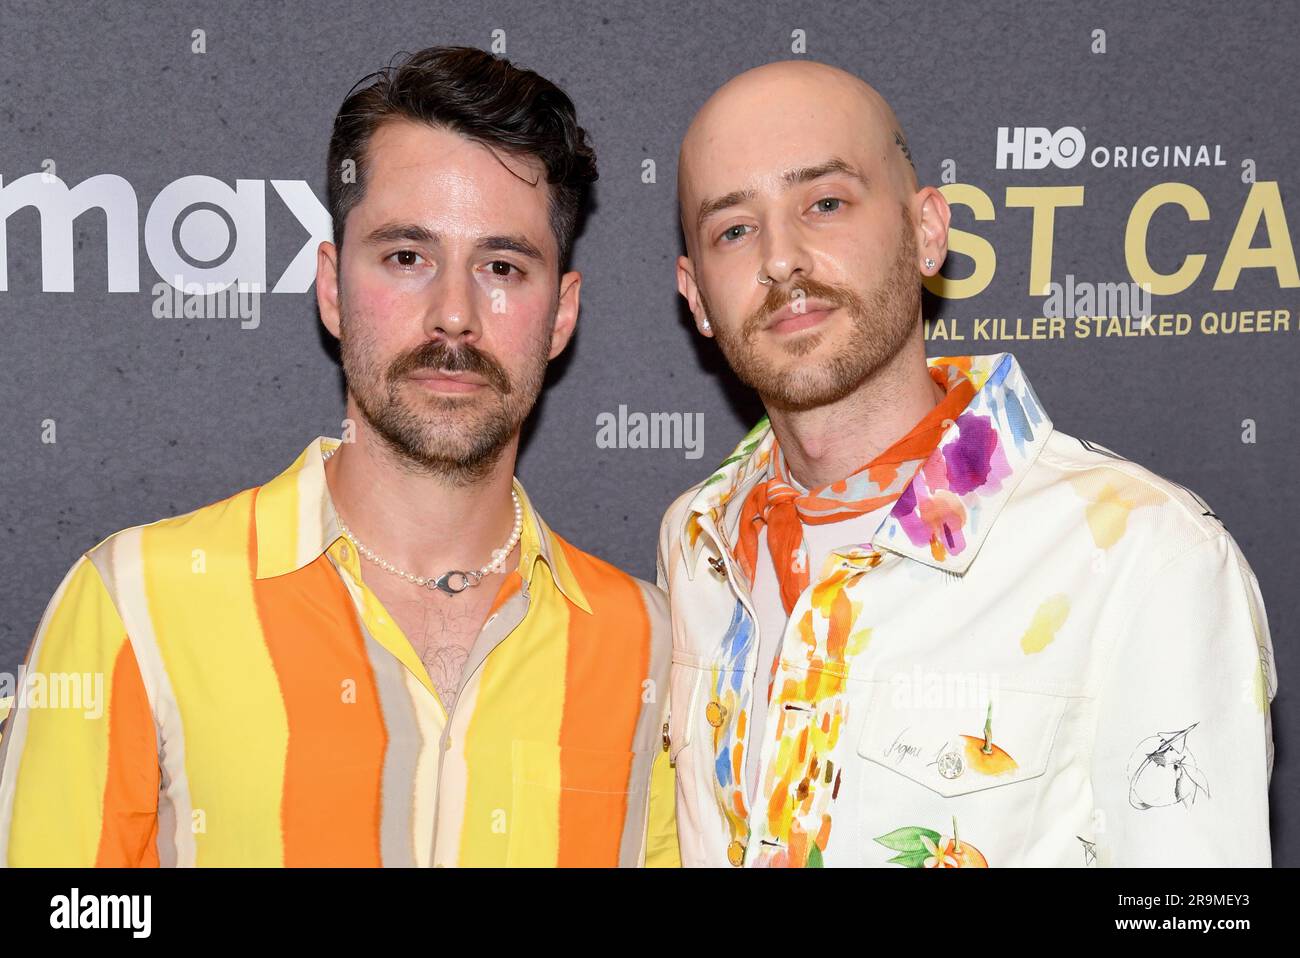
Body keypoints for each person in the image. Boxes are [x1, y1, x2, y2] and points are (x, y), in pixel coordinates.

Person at [0, 45, 677, 868]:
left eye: (502, 265)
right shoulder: (134, 603)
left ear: (561, 313)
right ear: (330, 287)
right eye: (406, 257)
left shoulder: (655, 647)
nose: (453, 315)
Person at [658, 59, 1275, 867]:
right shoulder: (696, 543)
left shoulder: (1145, 557)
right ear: (696, 294)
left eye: (826, 203)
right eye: (733, 228)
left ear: (927, 232)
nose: (782, 258)